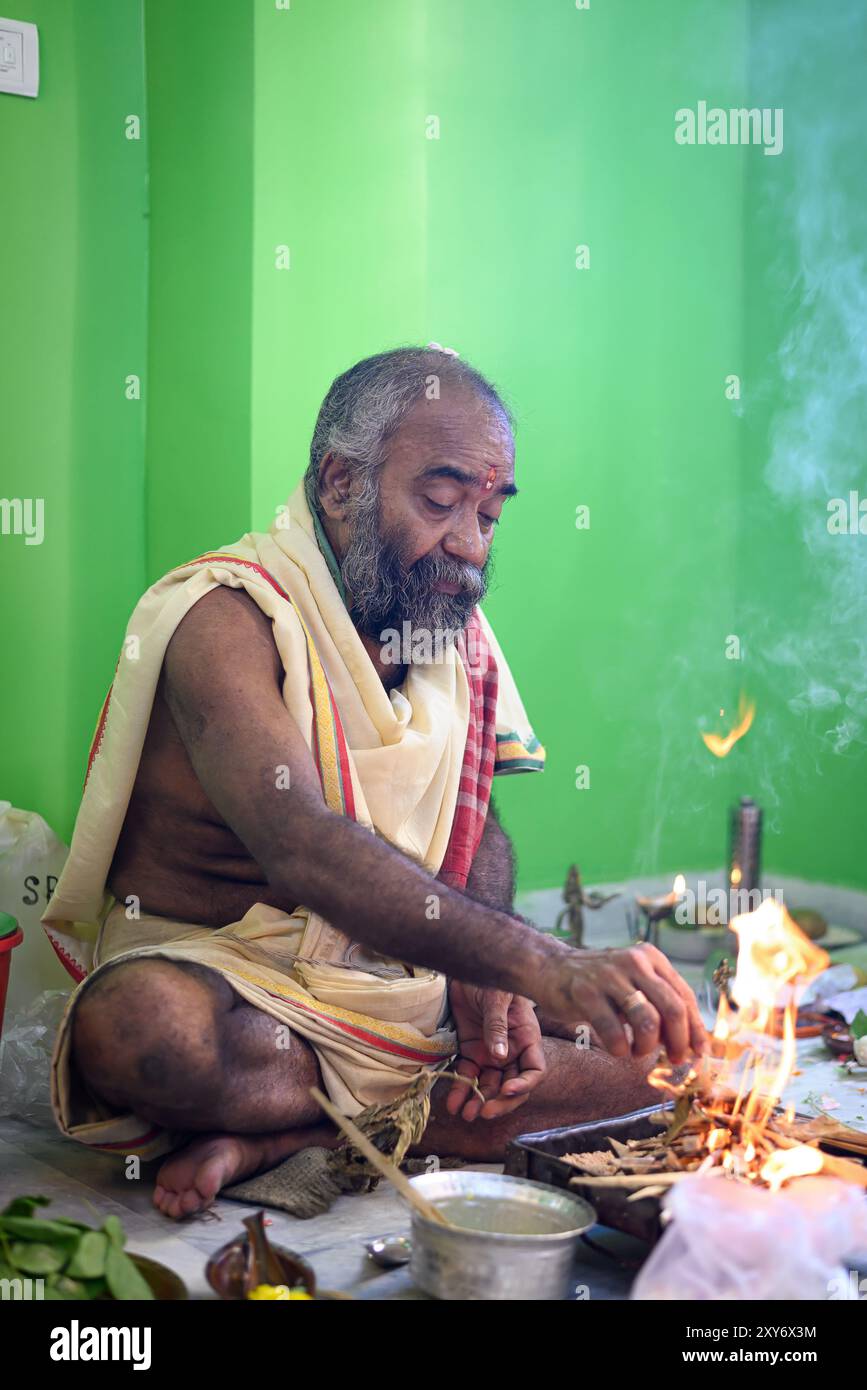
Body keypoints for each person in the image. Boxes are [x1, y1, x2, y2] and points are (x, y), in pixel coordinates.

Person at [43, 347, 705, 1219]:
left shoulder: (448, 628)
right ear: (339, 484)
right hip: (236, 990)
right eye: (439, 502)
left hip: (394, 993)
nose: (467, 545)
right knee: (140, 1036)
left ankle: (300, 1134)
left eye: (489, 514)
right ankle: (387, 1115)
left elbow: (480, 833)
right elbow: (303, 844)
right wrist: (542, 962)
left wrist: (491, 981)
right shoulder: (224, 617)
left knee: (666, 1071)